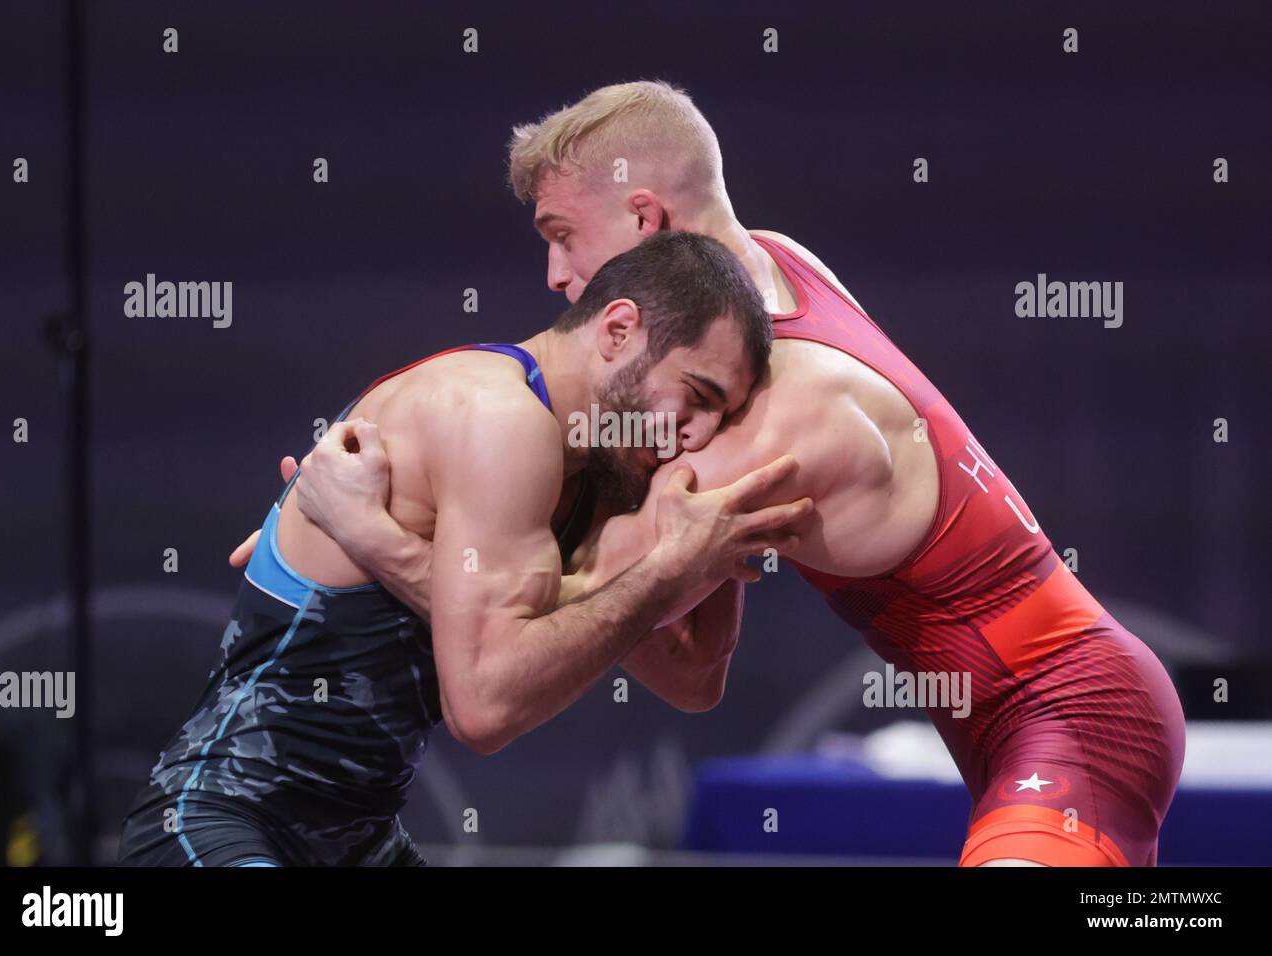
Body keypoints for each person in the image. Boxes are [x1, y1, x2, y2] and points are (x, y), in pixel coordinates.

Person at [271, 81, 1185, 867]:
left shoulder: (771, 421)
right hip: (1026, 710)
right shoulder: (783, 263)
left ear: (643, 220)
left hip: (1077, 711)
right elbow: (671, 648)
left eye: (562, 234)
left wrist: (366, 532)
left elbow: (526, 657)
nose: (555, 274)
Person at [119, 230, 813, 866]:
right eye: (696, 396)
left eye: (721, 418)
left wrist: (380, 543)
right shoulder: (498, 419)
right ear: (619, 329)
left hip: (361, 842)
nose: (695, 434)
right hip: (220, 820)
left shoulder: (603, 466)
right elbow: (485, 702)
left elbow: (692, 677)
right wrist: (666, 571)